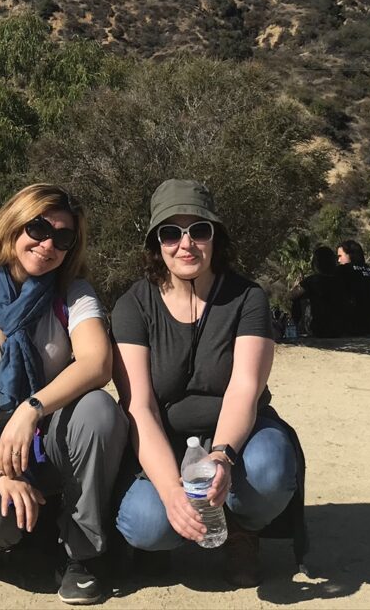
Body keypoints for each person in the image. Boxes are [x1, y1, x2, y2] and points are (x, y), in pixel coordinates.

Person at [0, 184, 128, 605]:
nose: (47, 244)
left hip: (45, 432)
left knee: (98, 409)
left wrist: (31, 409)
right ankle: (6, 529)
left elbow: (96, 363)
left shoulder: (73, 294)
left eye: (63, 237)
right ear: (13, 224)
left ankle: (82, 553)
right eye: (38, 228)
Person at [111, 179, 303, 589]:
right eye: (171, 233)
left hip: (239, 436)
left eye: (199, 230)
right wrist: (169, 491)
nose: (186, 244)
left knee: (269, 471)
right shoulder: (133, 305)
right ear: (156, 242)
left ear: (215, 238)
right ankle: (172, 534)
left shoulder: (247, 298)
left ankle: (241, 529)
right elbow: (138, 406)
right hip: (167, 439)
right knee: (147, 523)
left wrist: (221, 455)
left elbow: (244, 388)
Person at [288, 245, 352, 338]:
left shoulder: (311, 281)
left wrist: (295, 286)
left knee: (297, 299)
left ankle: (299, 328)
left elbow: (291, 296)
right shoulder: (341, 281)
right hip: (339, 328)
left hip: (317, 328)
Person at [336, 239, 370, 335]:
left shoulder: (344, 270)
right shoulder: (369, 271)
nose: (338, 260)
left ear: (350, 255)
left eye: (340, 256)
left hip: (354, 327)